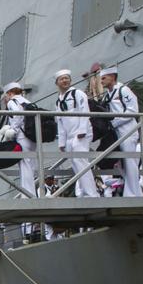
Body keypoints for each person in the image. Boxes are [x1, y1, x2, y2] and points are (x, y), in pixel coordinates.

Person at [54, 69, 99, 197]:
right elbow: (60, 121)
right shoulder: (59, 101)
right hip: (69, 136)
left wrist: (82, 130)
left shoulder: (77, 93)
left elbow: (85, 111)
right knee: (75, 164)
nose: (65, 80)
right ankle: (83, 191)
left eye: (67, 78)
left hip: (80, 133)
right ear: (57, 83)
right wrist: (61, 141)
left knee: (81, 162)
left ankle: (91, 194)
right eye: (62, 79)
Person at [100, 66, 143, 197]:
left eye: (104, 78)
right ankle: (131, 191)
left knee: (130, 162)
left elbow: (133, 110)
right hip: (117, 133)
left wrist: (116, 122)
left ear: (112, 77)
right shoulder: (107, 95)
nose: (101, 81)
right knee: (120, 163)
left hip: (128, 130)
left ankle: (134, 193)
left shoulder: (123, 90)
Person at [0, 82, 37, 197]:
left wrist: (13, 131)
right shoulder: (27, 102)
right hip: (32, 137)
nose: (5, 98)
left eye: (6, 95)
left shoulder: (12, 102)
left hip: (22, 137)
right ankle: (31, 193)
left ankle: (27, 195)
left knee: (24, 166)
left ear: (10, 93)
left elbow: (17, 115)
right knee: (30, 166)